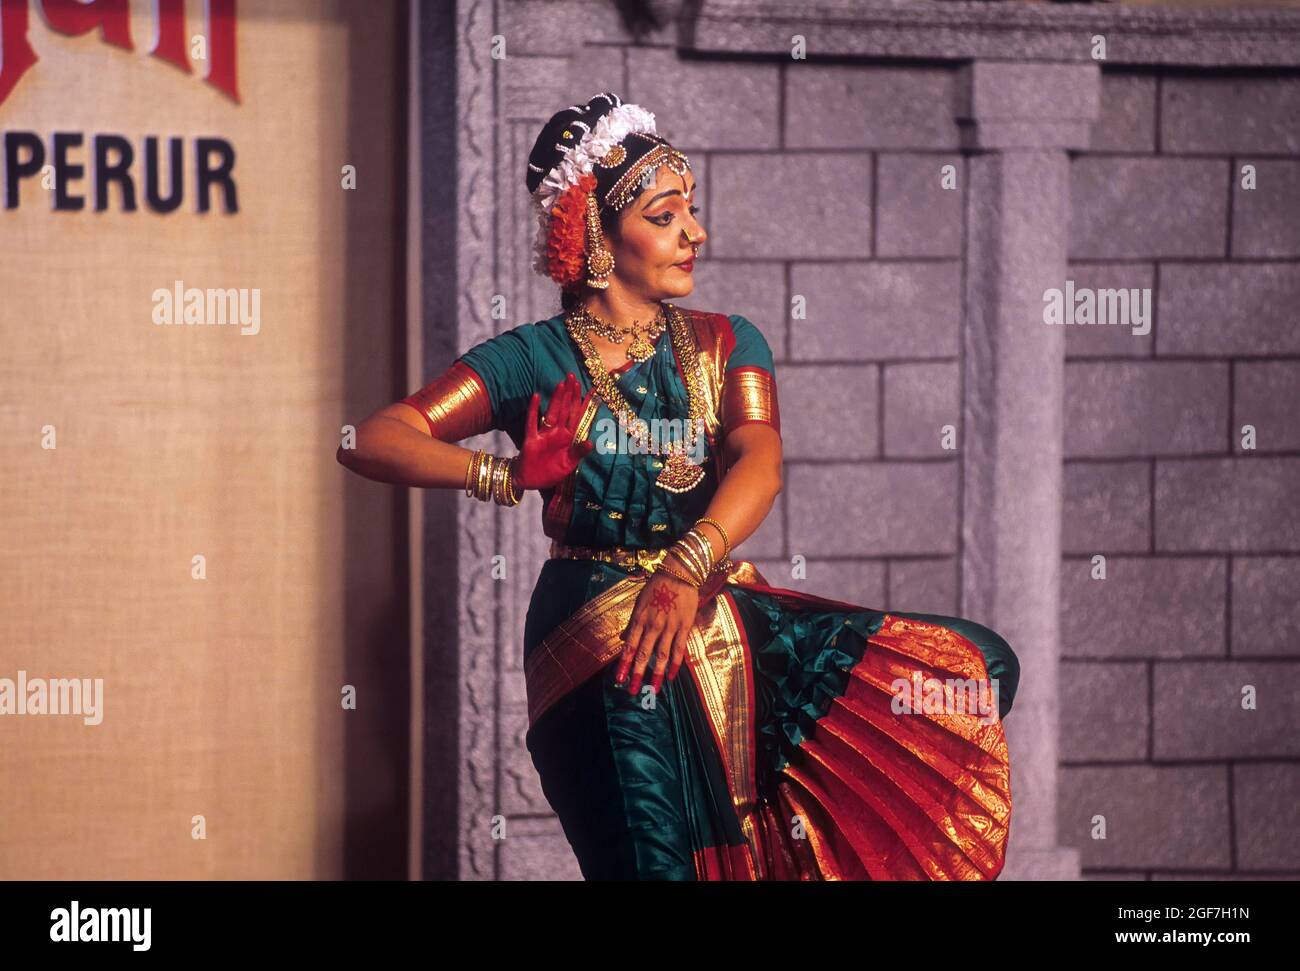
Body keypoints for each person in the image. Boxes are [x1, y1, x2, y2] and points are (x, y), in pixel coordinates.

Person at [338, 92, 1020, 880]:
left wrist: (687, 566)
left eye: (690, 210)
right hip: (603, 645)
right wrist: (505, 474)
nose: (695, 232)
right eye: (666, 216)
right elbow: (369, 439)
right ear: (596, 231)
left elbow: (759, 460)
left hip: (715, 607)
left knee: (968, 671)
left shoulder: (727, 342)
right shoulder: (531, 359)